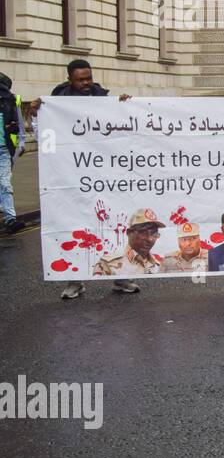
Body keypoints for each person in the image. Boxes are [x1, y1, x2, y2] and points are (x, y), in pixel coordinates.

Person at [38, 60, 132, 299]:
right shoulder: (57, 102)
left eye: (89, 77)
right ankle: (75, 282)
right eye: (81, 79)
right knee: (73, 228)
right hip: (72, 177)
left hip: (104, 177)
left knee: (112, 228)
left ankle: (120, 279)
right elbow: (48, 136)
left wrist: (126, 106)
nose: (86, 83)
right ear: (70, 79)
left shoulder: (103, 97)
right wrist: (38, 109)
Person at [93, 208, 165, 285]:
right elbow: (99, 293)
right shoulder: (107, 264)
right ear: (129, 233)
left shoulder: (161, 263)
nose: (150, 239)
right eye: (143, 232)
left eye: (154, 233)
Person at [0, 71, 28, 234]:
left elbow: (19, 123)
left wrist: (22, 142)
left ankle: (10, 219)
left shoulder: (11, 100)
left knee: (4, 183)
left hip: (4, 149)